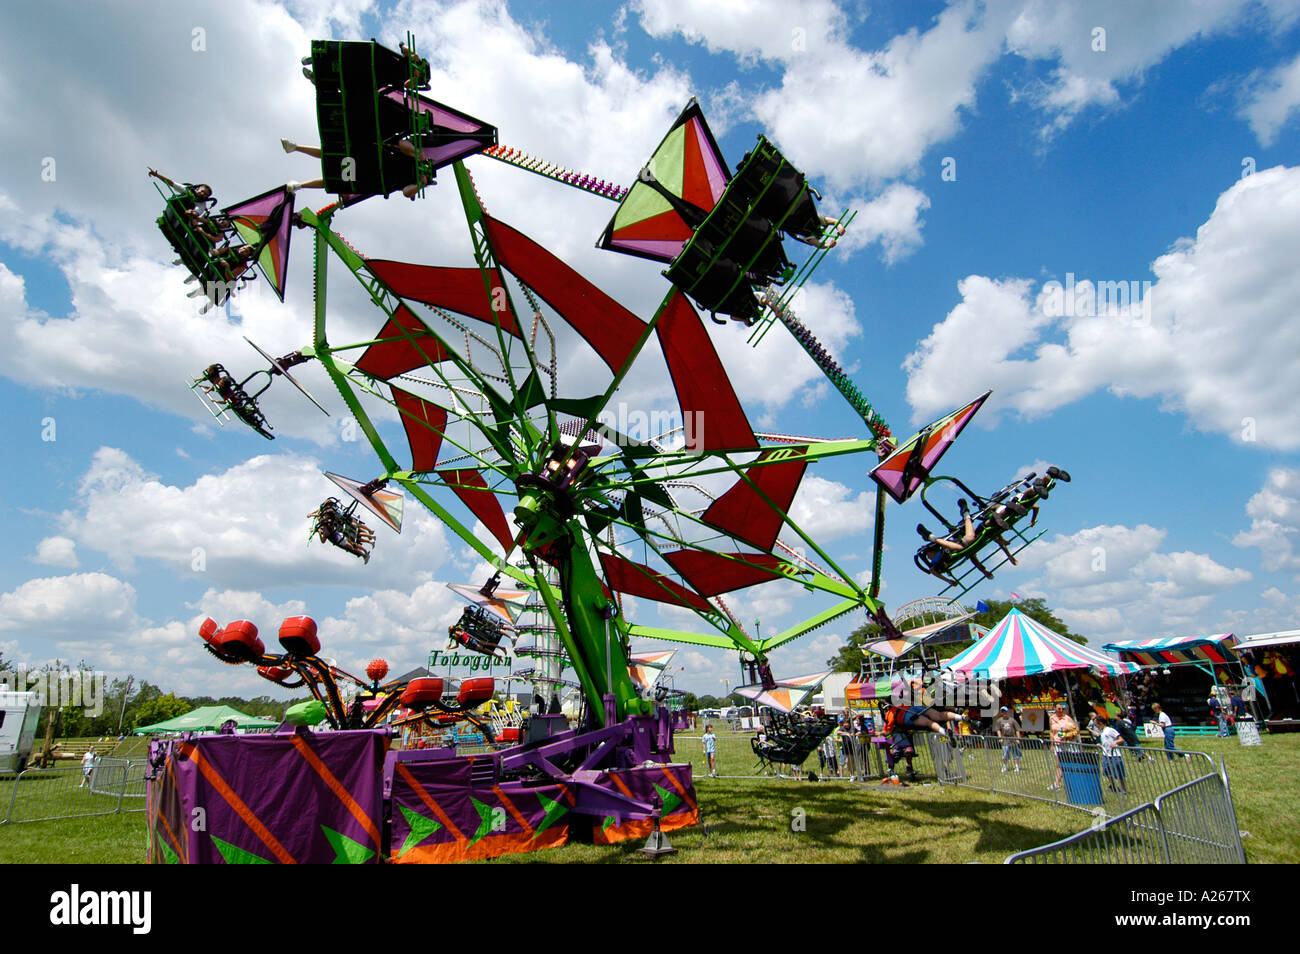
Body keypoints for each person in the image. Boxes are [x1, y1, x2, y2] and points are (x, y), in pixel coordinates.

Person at [1047, 703, 1079, 791]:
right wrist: (1052, 744)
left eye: (1062, 709)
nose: (1061, 710)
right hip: (1058, 744)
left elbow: (1076, 730)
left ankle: (1074, 782)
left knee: (1071, 763)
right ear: (1054, 709)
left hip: (1068, 743)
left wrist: (1067, 735)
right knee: (1059, 764)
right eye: (1059, 709)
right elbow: (1051, 732)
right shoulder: (1051, 718)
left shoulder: (1067, 718)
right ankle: (1057, 783)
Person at [1097, 715, 1128, 794]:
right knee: (1107, 771)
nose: (1096, 726)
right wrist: (1100, 745)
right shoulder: (1102, 732)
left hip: (1115, 755)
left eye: (1096, 724)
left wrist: (1115, 742)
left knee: (1119, 772)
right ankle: (1113, 786)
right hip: (1106, 755)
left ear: (1100, 723)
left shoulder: (1110, 730)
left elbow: (1121, 739)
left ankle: (1123, 789)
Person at [993, 705, 1023, 773]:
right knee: (1005, 753)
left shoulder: (1012, 720)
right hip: (1005, 739)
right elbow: (998, 730)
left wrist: (1018, 739)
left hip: (1013, 738)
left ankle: (1017, 766)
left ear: (1008, 712)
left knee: (1016, 753)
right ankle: (1005, 766)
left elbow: (1017, 730)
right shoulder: (999, 721)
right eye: (1003, 712)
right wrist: (1000, 738)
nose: (1004, 713)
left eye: (1005, 711)